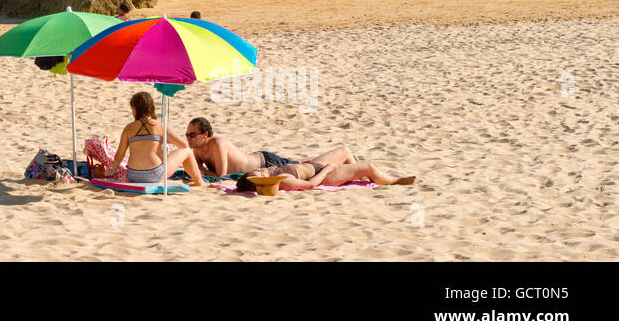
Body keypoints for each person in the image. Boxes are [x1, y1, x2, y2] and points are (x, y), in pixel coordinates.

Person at [110, 91, 204, 186]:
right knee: (187, 151)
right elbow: (183, 145)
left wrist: (112, 171)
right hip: (154, 175)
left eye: (132, 109)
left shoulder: (128, 128)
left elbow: (119, 154)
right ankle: (199, 182)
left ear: (136, 109)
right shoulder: (159, 125)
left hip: (132, 176)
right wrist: (163, 139)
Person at [185, 117, 308, 176]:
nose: (188, 138)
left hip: (265, 162)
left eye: (192, 135)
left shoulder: (218, 144)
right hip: (259, 166)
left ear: (205, 135)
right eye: (187, 135)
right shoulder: (197, 149)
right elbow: (198, 170)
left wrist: (203, 171)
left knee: (303, 166)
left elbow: (221, 175)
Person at [236, 153, 417, 191]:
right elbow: (310, 184)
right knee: (368, 166)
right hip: (325, 176)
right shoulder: (282, 180)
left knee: (344, 150)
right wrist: (328, 169)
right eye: (258, 174)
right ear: (259, 183)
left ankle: (356, 174)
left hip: (315, 165)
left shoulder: (271, 171)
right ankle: (395, 181)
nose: (260, 170)